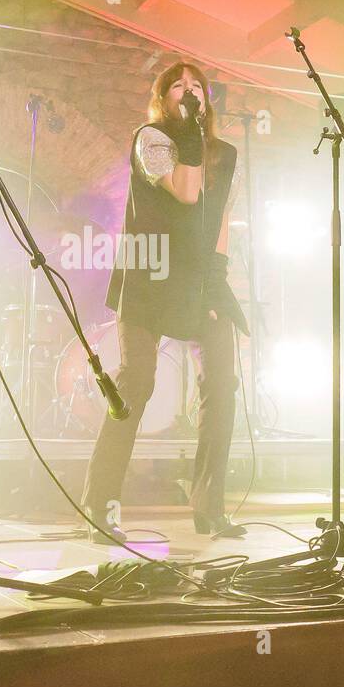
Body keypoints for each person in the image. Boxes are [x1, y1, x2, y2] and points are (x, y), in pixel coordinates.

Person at [81, 61, 249, 543]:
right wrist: (192, 135)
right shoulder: (150, 140)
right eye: (178, 85)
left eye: (197, 85)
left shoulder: (227, 154)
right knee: (137, 382)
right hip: (149, 278)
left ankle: (209, 507)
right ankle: (101, 504)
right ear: (163, 96)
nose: (188, 90)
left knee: (222, 380)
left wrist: (218, 279)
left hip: (199, 281)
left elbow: (220, 217)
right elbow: (187, 191)